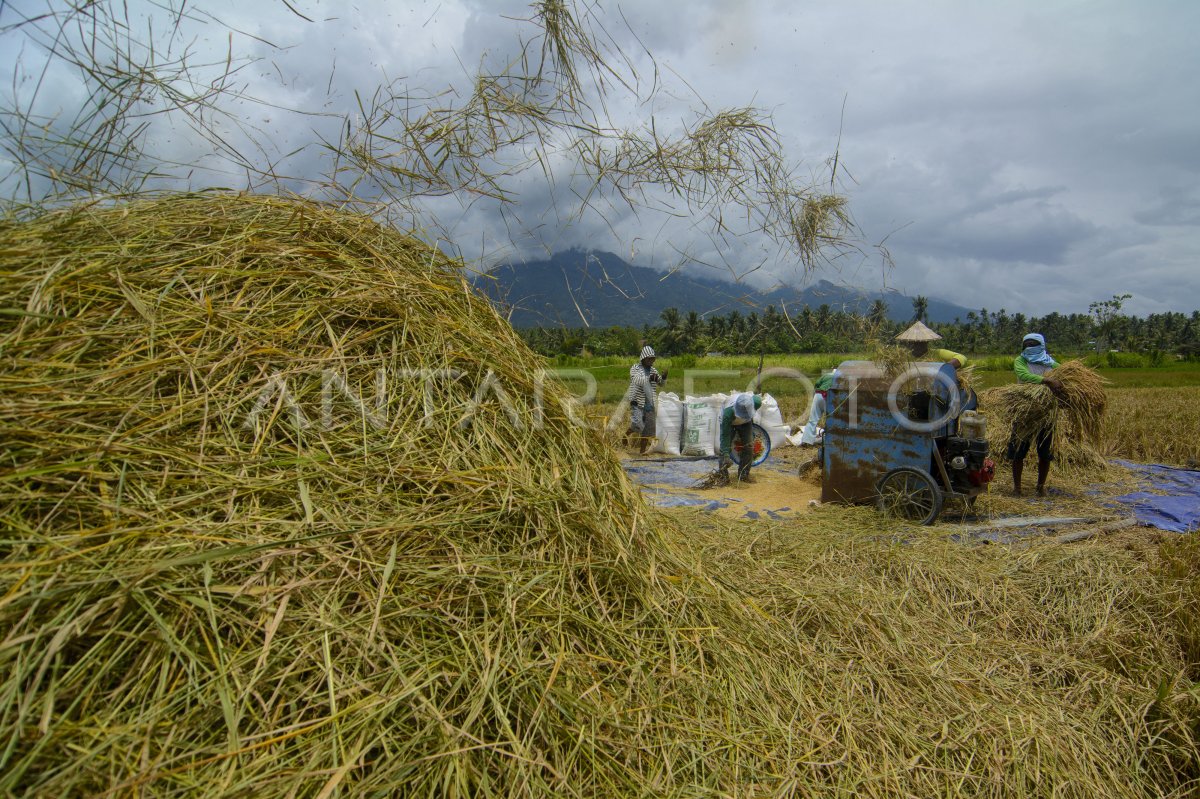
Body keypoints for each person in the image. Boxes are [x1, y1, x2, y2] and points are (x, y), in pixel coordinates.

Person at [1008, 333, 1065, 496]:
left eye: (1033, 345)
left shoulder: (1051, 362)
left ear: (1042, 346)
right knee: (1018, 451)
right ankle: (1017, 488)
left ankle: (1041, 487)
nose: (1030, 348)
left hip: (1046, 412)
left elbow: (1063, 375)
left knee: (1045, 453)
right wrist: (1047, 381)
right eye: (1027, 345)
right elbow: (1024, 376)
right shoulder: (1020, 361)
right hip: (1025, 411)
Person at [624, 345, 668, 455]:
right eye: (649, 359)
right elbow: (636, 380)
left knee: (647, 429)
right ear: (643, 358)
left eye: (653, 359)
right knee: (638, 424)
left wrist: (663, 377)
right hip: (637, 401)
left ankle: (642, 452)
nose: (651, 361)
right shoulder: (635, 368)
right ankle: (625, 435)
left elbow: (661, 384)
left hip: (649, 402)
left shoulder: (653, 370)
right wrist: (649, 378)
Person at [718, 392, 763, 483]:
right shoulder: (728, 413)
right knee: (724, 449)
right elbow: (725, 436)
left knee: (749, 446)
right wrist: (726, 455)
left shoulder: (755, 402)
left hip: (746, 423)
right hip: (730, 423)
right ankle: (723, 476)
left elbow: (757, 400)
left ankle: (743, 475)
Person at [895, 321, 967, 368]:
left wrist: (946, 367)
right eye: (914, 343)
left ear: (926, 342)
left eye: (921, 343)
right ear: (909, 343)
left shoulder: (937, 354)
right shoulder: (905, 358)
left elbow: (962, 357)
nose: (917, 346)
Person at [799, 371, 834, 445]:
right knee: (831, 419)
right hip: (829, 396)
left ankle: (806, 441)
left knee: (812, 419)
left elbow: (817, 384)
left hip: (818, 395)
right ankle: (829, 441)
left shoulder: (826, 375)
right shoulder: (841, 377)